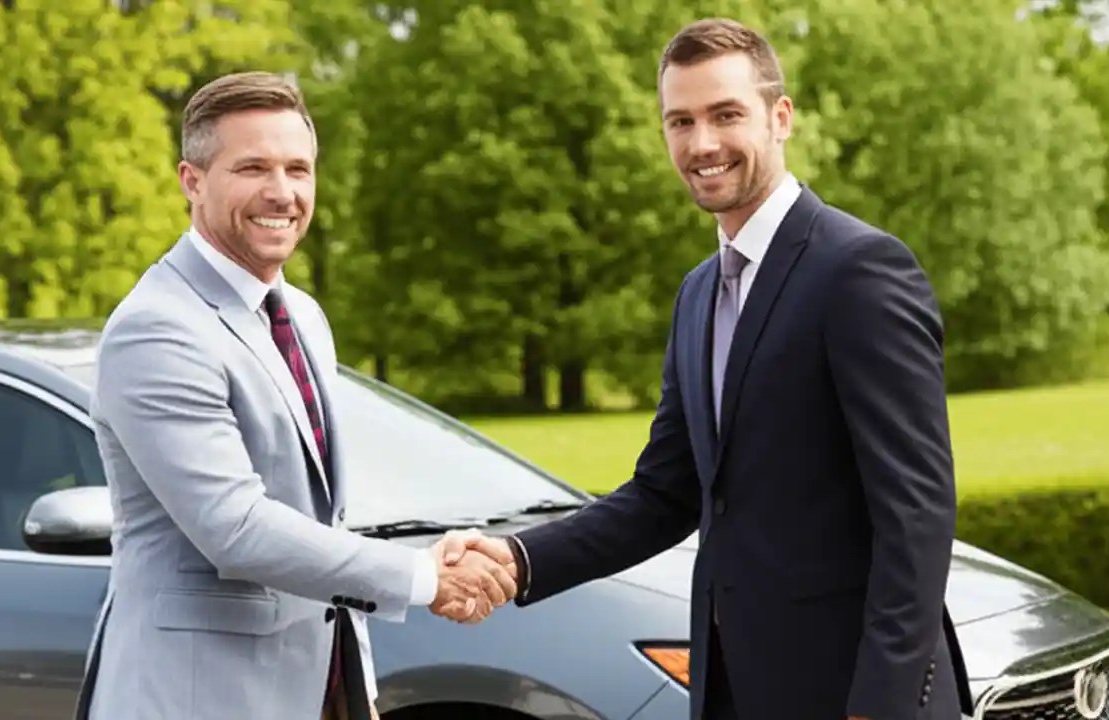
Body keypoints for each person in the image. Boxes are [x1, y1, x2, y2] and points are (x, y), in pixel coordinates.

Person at [442, 18, 970, 720]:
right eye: (680, 121)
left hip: (851, 695)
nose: (703, 144)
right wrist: (517, 560)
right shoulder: (698, 293)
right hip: (732, 689)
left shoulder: (860, 270)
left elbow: (917, 509)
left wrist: (881, 702)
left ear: (780, 118)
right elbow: (665, 493)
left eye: (726, 115)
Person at [74, 71, 516, 720]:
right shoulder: (157, 328)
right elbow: (236, 527)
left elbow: (315, 516)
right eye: (252, 167)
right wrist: (423, 577)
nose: (281, 192)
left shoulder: (301, 313)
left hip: (314, 682)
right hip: (195, 697)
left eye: (298, 169)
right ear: (191, 181)